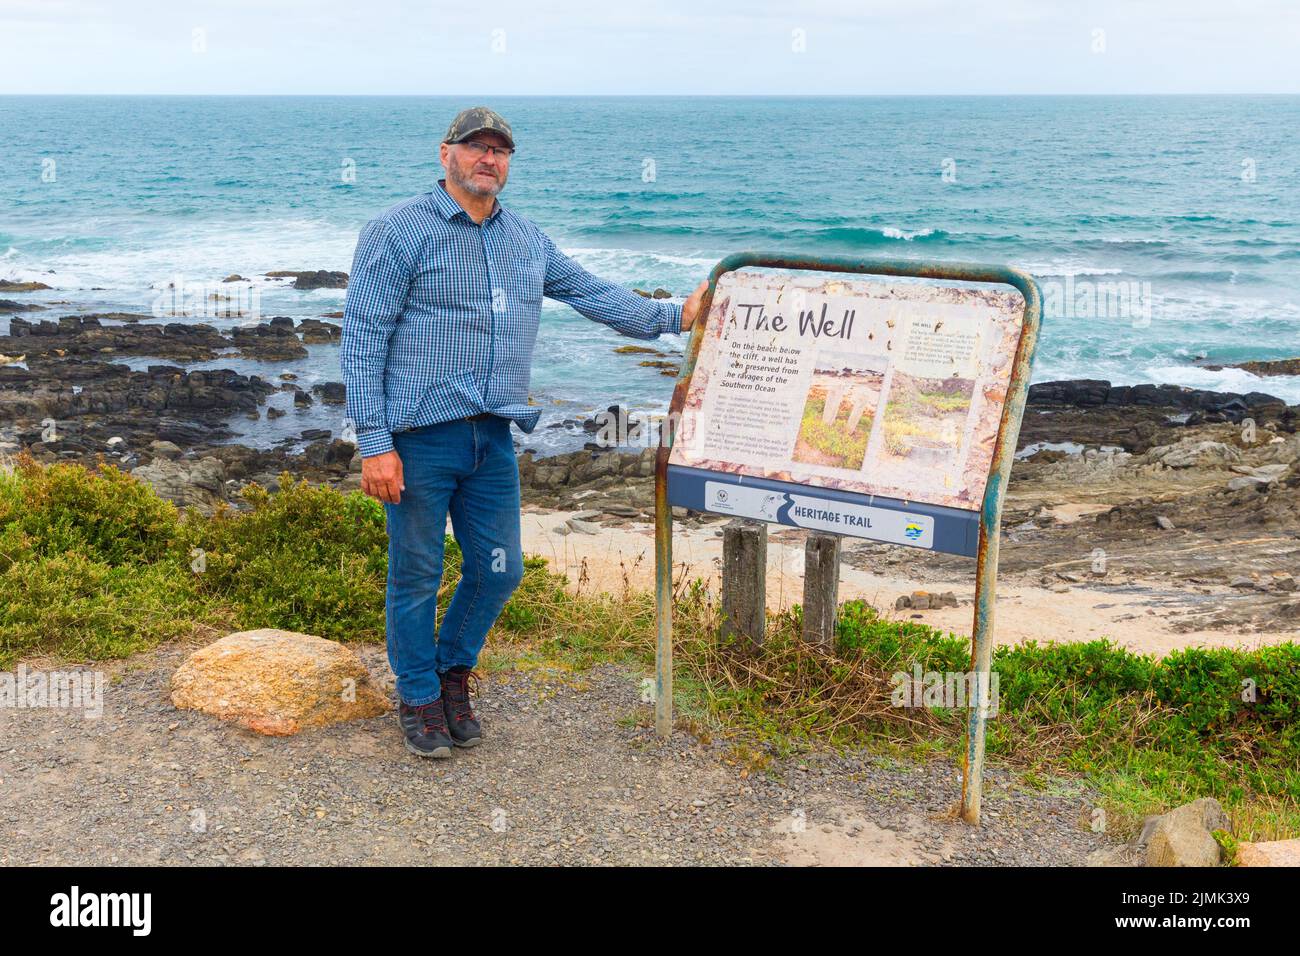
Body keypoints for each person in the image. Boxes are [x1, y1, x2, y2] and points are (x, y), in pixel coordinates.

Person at [340, 106, 708, 758]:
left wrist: (674, 315)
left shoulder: (525, 240)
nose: (489, 159)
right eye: (476, 147)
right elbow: (364, 336)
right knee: (417, 572)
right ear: (445, 154)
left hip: (493, 438)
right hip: (419, 438)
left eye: (500, 151)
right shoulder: (396, 232)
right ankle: (420, 696)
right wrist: (375, 442)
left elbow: (591, 292)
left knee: (499, 569)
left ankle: (453, 671)